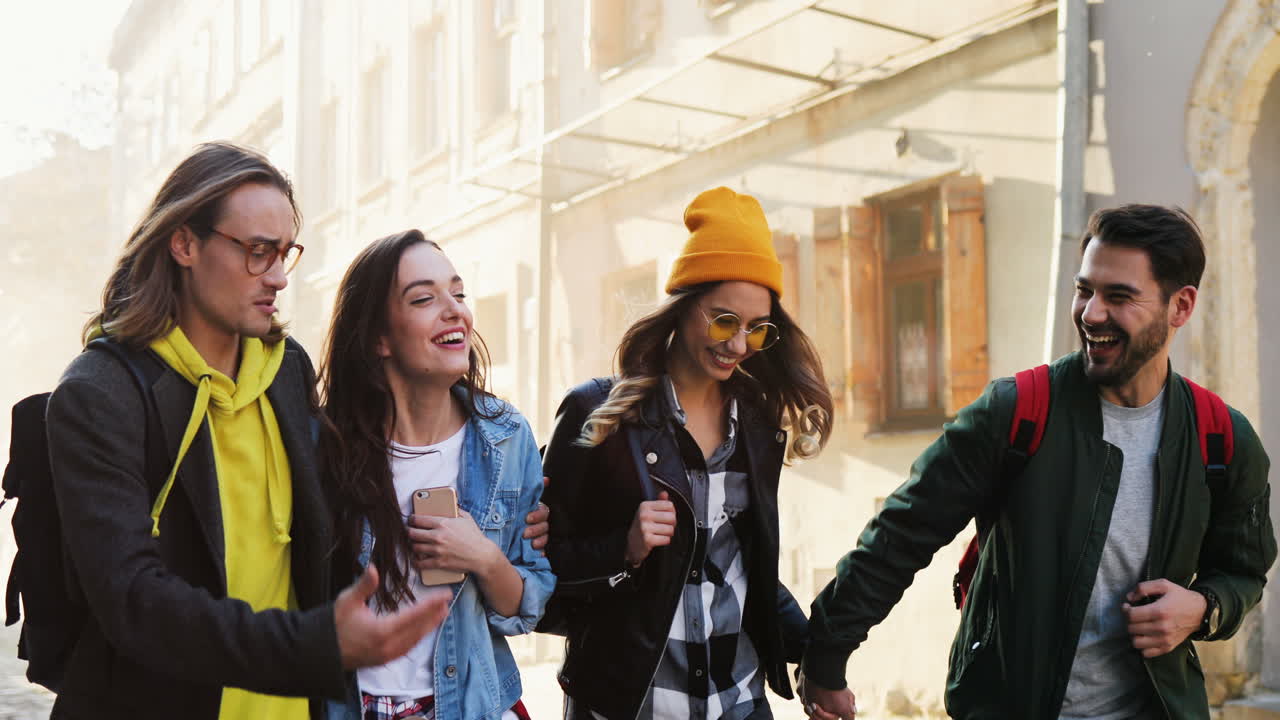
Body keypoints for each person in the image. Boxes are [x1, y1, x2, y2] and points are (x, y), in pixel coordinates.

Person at [799, 205, 1278, 719]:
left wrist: (1203, 609)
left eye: (1118, 296)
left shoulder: (1222, 438)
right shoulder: (1016, 412)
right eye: (1084, 290)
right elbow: (900, 535)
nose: (1091, 313)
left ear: (1180, 307)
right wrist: (825, 655)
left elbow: (1244, 570)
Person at [45, 142, 452, 720]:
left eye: (286, 254)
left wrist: (506, 526)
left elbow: (343, 499)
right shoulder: (100, 393)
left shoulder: (286, 369)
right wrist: (312, 645)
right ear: (184, 243)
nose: (280, 278)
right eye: (259, 253)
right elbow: (131, 599)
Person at [540, 187, 833, 719]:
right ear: (680, 308)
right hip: (628, 704)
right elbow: (535, 572)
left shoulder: (758, 427)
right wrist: (621, 551)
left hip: (738, 703)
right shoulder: (597, 414)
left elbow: (745, 566)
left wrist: (814, 658)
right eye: (723, 321)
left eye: (757, 330)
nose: (738, 345)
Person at [319, 230, 555, 720]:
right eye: (425, 298)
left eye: (459, 293)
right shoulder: (324, 448)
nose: (455, 310)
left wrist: (485, 558)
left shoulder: (506, 438)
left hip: (474, 706)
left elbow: (527, 605)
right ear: (378, 338)